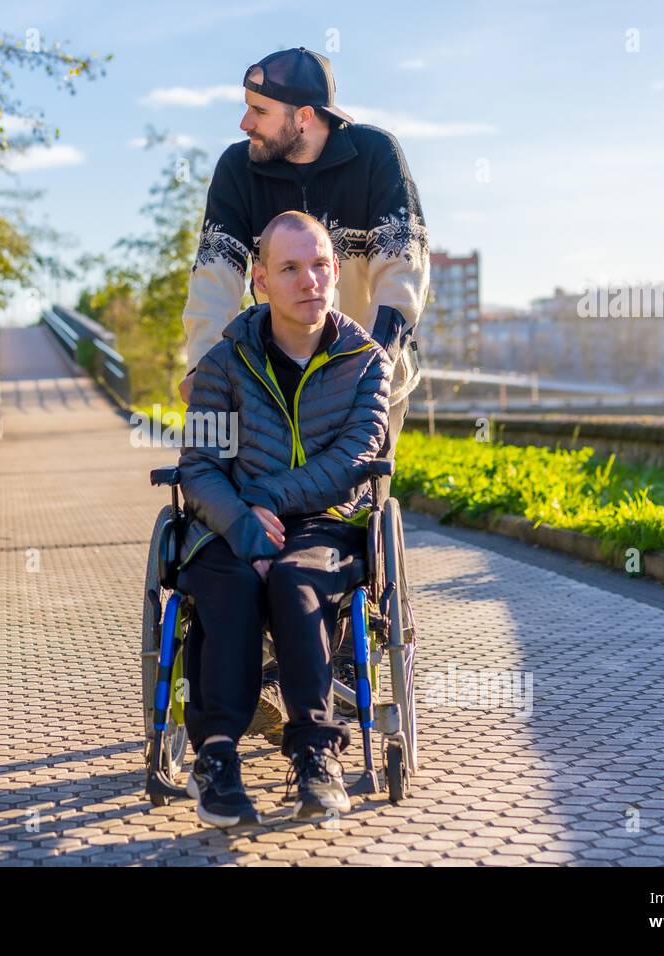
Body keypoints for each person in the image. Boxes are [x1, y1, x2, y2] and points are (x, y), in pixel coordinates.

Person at [178, 45, 430, 744]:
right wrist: (205, 364)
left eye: (257, 111)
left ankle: (336, 650)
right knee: (229, 492)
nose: (243, 123)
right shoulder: (239, 171)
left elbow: (401, 260)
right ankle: (252, 662)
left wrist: (376, 352)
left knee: (342, 506)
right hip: (258, 369)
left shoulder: (376, 156)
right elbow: (215, 273)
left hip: (358, 366)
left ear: (306, 116)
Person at [176, 211, 392, 826]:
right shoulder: (224, 363)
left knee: (297, 583)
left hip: (321, 521)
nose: (310, 281)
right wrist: (243, 522)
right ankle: (217, 758)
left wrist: (268, 495)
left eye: (321, 265)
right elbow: (198, 466)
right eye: (290, 268)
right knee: (231, 584)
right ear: (262, 282)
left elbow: (356, 456)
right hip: (231, 522)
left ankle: (317, 755)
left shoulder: (365, 361)